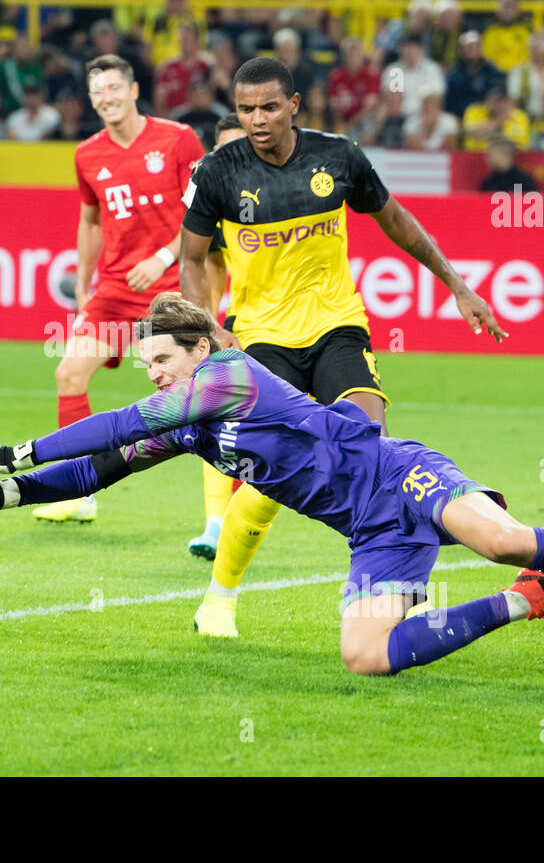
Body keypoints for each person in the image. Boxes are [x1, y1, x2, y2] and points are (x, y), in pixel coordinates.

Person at [0, 293, 544, 676]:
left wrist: (13, 450)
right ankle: (529, 599)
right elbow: (99, 467)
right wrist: (5, 495)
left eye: (161, 361)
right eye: (149, 367)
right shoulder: (190, 421)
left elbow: (120, 421)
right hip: (372, 532)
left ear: (196, 349)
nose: (154, 375)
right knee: (365, 658)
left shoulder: (227, 374)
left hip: (401, 473)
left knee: (498, 538)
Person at [176, 57, 506, 638]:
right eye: (246, 108)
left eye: (269, 107)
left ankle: (396, 591)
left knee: (372, 453)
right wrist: (208, 329)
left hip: (337, 326)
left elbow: (396, 220)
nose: (257, 119)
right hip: (261, 336)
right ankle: (219, 599)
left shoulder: (338, 157)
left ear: (294, 105)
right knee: (269, 478)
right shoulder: (217, 172)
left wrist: (458, 285)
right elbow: (191, 259)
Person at [36, 53, 203, 524]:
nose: (106, 98)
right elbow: (90, 221)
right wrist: (84, 283)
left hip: (172, 286)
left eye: (113, 88)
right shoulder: (87, 153)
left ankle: (232, 500)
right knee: (69, 374)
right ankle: (77, 490)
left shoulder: (177, 139)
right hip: (115, 288)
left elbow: (202, 210)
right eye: (97, 93)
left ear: (132, 90)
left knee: (202, 396)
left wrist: (164, 257)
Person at [188, 113, 248, 559]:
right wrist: (212, 328)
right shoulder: (210, 188)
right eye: (223, 148)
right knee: (213, 413)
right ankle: (215, 523)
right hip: (239, 323)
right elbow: (205, 261)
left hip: (298, 324)